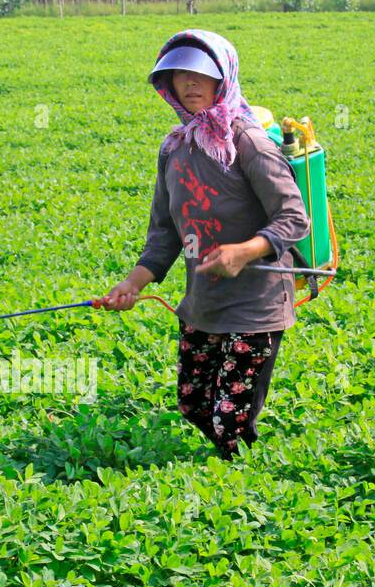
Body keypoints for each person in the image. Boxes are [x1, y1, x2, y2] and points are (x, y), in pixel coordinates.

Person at [98, 30, 311, 460]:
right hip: (204, 302)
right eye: (180, 75)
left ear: (223, 79)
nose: (190, 83)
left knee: (229, 421)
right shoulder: (174, 149)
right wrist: (132, 284)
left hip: (257, 302)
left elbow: (294, 219)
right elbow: (164, 233)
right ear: (168, 83)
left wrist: (244, 251)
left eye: (201, 74)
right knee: (193, 403)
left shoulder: (248, 143)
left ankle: (240, 493)